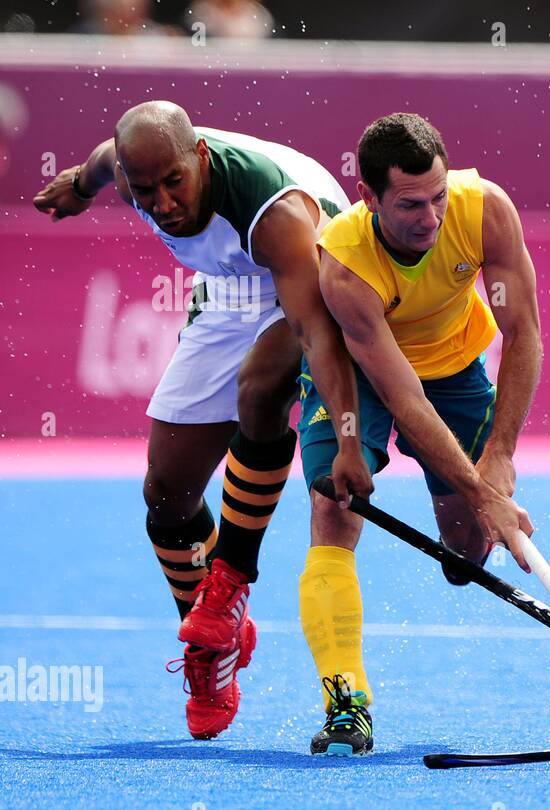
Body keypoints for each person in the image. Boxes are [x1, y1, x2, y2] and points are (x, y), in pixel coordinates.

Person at [33, 101, 370, 741]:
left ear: (201, 159)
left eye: (173, 183)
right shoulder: (129, 167)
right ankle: (214, 646)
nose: (159, 202)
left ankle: (231, 581)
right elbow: (102, 164)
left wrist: (348, 438)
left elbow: (315, 333)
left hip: (302, 276)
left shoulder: (277, 214)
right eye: (145, 188)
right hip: (226, 289)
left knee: (260, 388)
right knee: (165, 495)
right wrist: (78, 188)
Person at [298, 112, 540, 756]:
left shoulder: (485, 210)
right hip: (363, 380)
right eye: (409, 205)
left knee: (465, 552)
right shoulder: (344, 262)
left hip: (456, 367)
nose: (431, 219)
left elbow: (523, 336)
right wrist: (354, 447)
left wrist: (499, 459)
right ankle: (345, 701)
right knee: (333, 507)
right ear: (368, 196)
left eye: (437, 198)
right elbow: (401, 396)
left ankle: (464, 530)